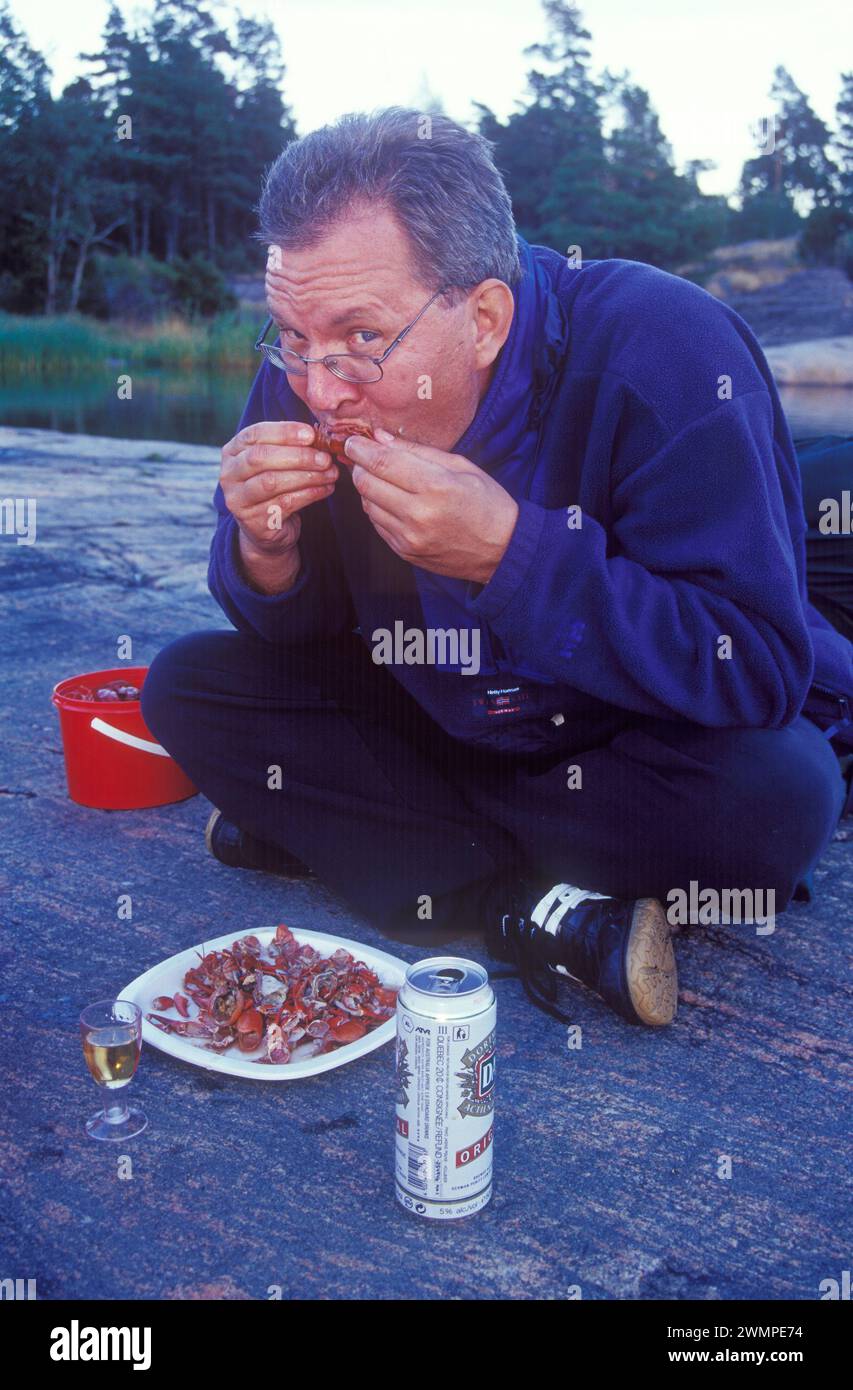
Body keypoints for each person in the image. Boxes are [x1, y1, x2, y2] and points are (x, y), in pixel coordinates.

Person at [141, 108, 853, 1031]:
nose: (320, 388)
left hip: (619, 734)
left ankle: (373, 838)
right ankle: (530, 905)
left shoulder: (669, 350)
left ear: (483, 317)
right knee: (190, 688)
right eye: (290, 336)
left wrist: (511, 555)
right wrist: (264, 552)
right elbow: (297, 637)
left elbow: (751, 665)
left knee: (773, 799)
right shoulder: (313, 361)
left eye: (363, 340)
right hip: (444, 705)